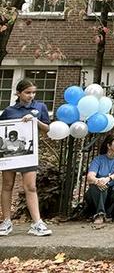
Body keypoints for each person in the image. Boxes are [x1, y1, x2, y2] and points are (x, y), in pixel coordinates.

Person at [0, 78, 53, 236]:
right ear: (18, 93)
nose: (31, 95)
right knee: (7, 185)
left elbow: (47, 129)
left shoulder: (40, 107)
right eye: (27, 92)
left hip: (28, 155)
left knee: (31, 187)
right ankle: (6, 222)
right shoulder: (9, 111)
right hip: (9, 155)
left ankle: (37, 223)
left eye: (33, 92)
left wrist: (35, 121)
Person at [86, 133, 114, 226]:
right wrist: (98, 181)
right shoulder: (98, 159)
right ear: (109, 145)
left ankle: (109, 213)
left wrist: (108, 179)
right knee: (99, 186)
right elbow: (90, 176)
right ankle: (100, 214)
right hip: (99, 189)